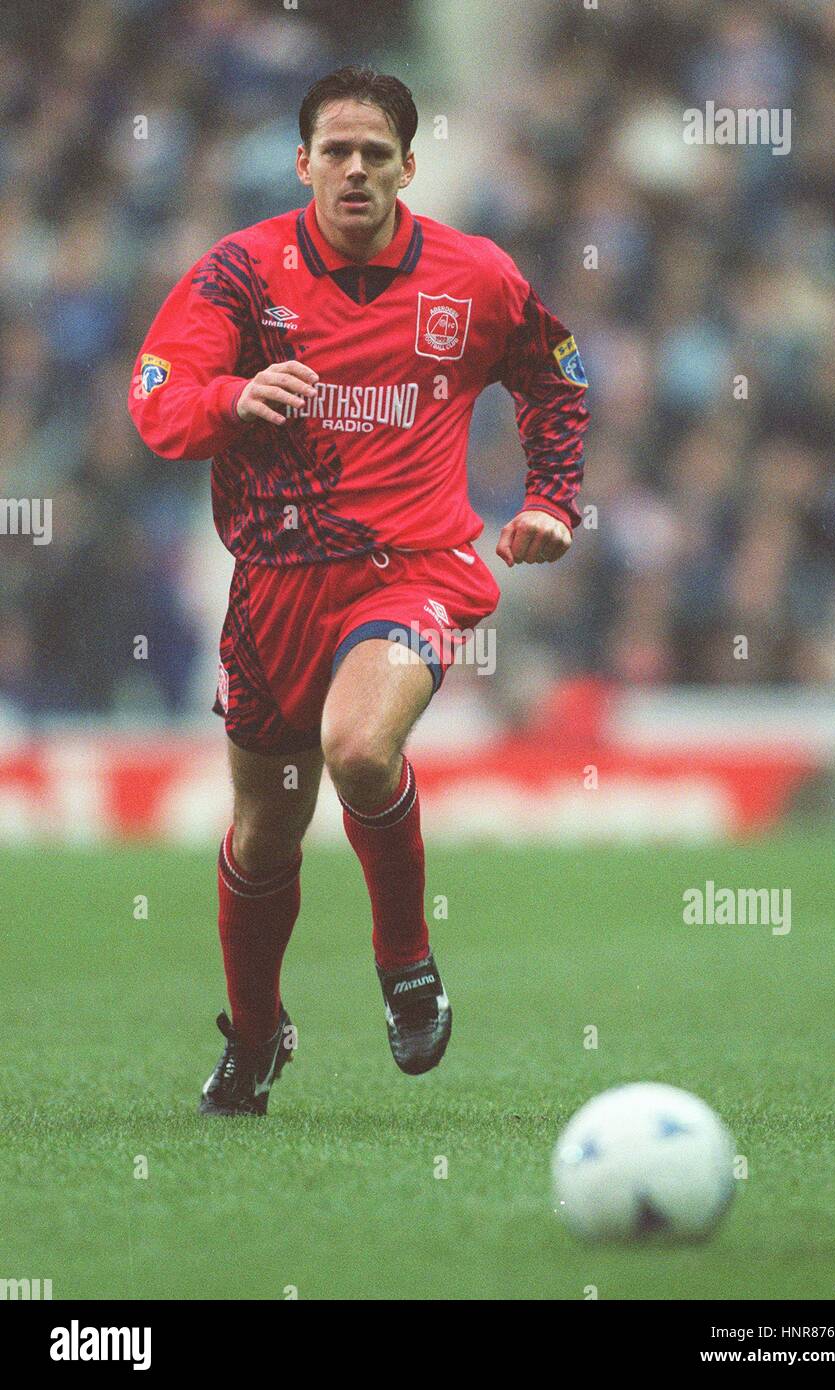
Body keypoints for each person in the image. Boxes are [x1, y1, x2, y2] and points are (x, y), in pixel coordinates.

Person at [128, 66, 590, 1115]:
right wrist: (233, 396)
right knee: (263, 834)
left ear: (408, 168)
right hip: (274, 591)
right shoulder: (241, 275)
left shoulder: (475, 278)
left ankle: (406, 960)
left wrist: (553, 498)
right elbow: (155, 398)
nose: (353, 169)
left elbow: (556, 372)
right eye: (335, 151)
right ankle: (253, 1038)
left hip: (414, 570)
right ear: (302, 163)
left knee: (359, 746)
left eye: (375, 153)